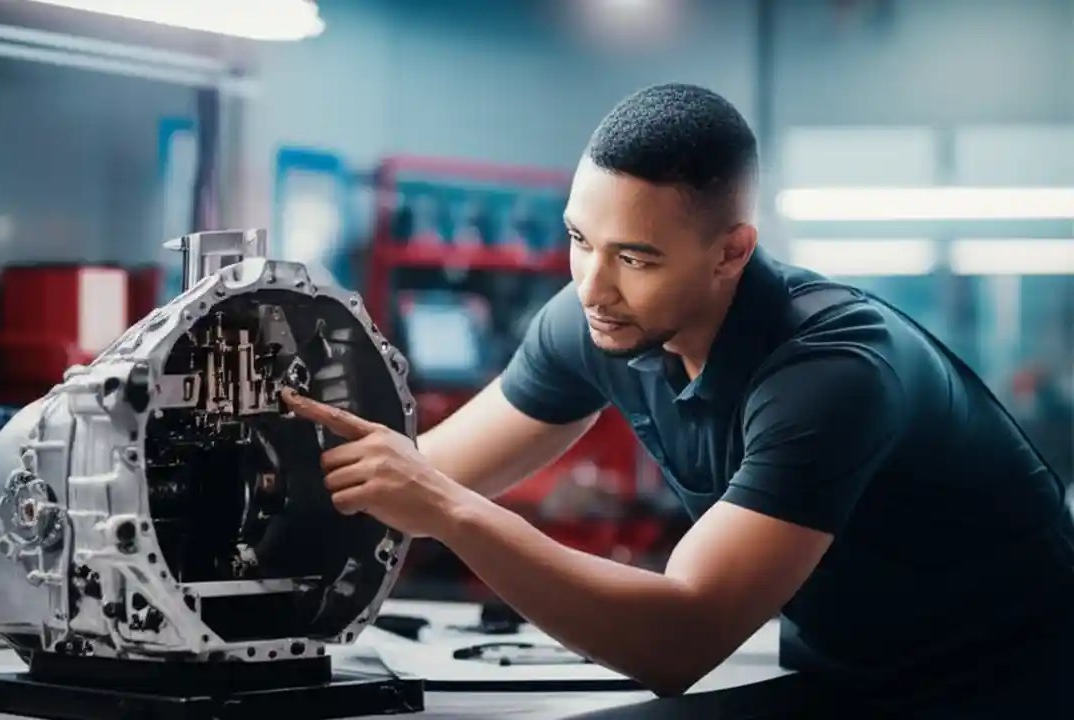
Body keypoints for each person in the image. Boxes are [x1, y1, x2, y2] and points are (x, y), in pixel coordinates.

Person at [279, 84, 1074, 715]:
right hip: (844, 679)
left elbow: (678, 641)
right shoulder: (597, 319)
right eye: (580, 239)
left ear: (732, 252)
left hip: (1009, 691)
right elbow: (414, 479)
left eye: (636, 257)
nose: (593, 286)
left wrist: (450, 515)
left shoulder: (832, 372)